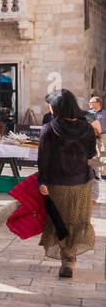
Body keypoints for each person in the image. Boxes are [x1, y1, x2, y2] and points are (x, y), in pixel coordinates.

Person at [36, 90, 101, 278]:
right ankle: (70, 259)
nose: (49, 108)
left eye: (50, 105)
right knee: (78, 219)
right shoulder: (87, 128)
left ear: (57, 108)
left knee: (60, 221)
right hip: (81, 181)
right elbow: (90, 153)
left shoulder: (48, 128)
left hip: (57, 183)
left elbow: (43, 159)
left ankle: (67, 258)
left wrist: (42, 181)